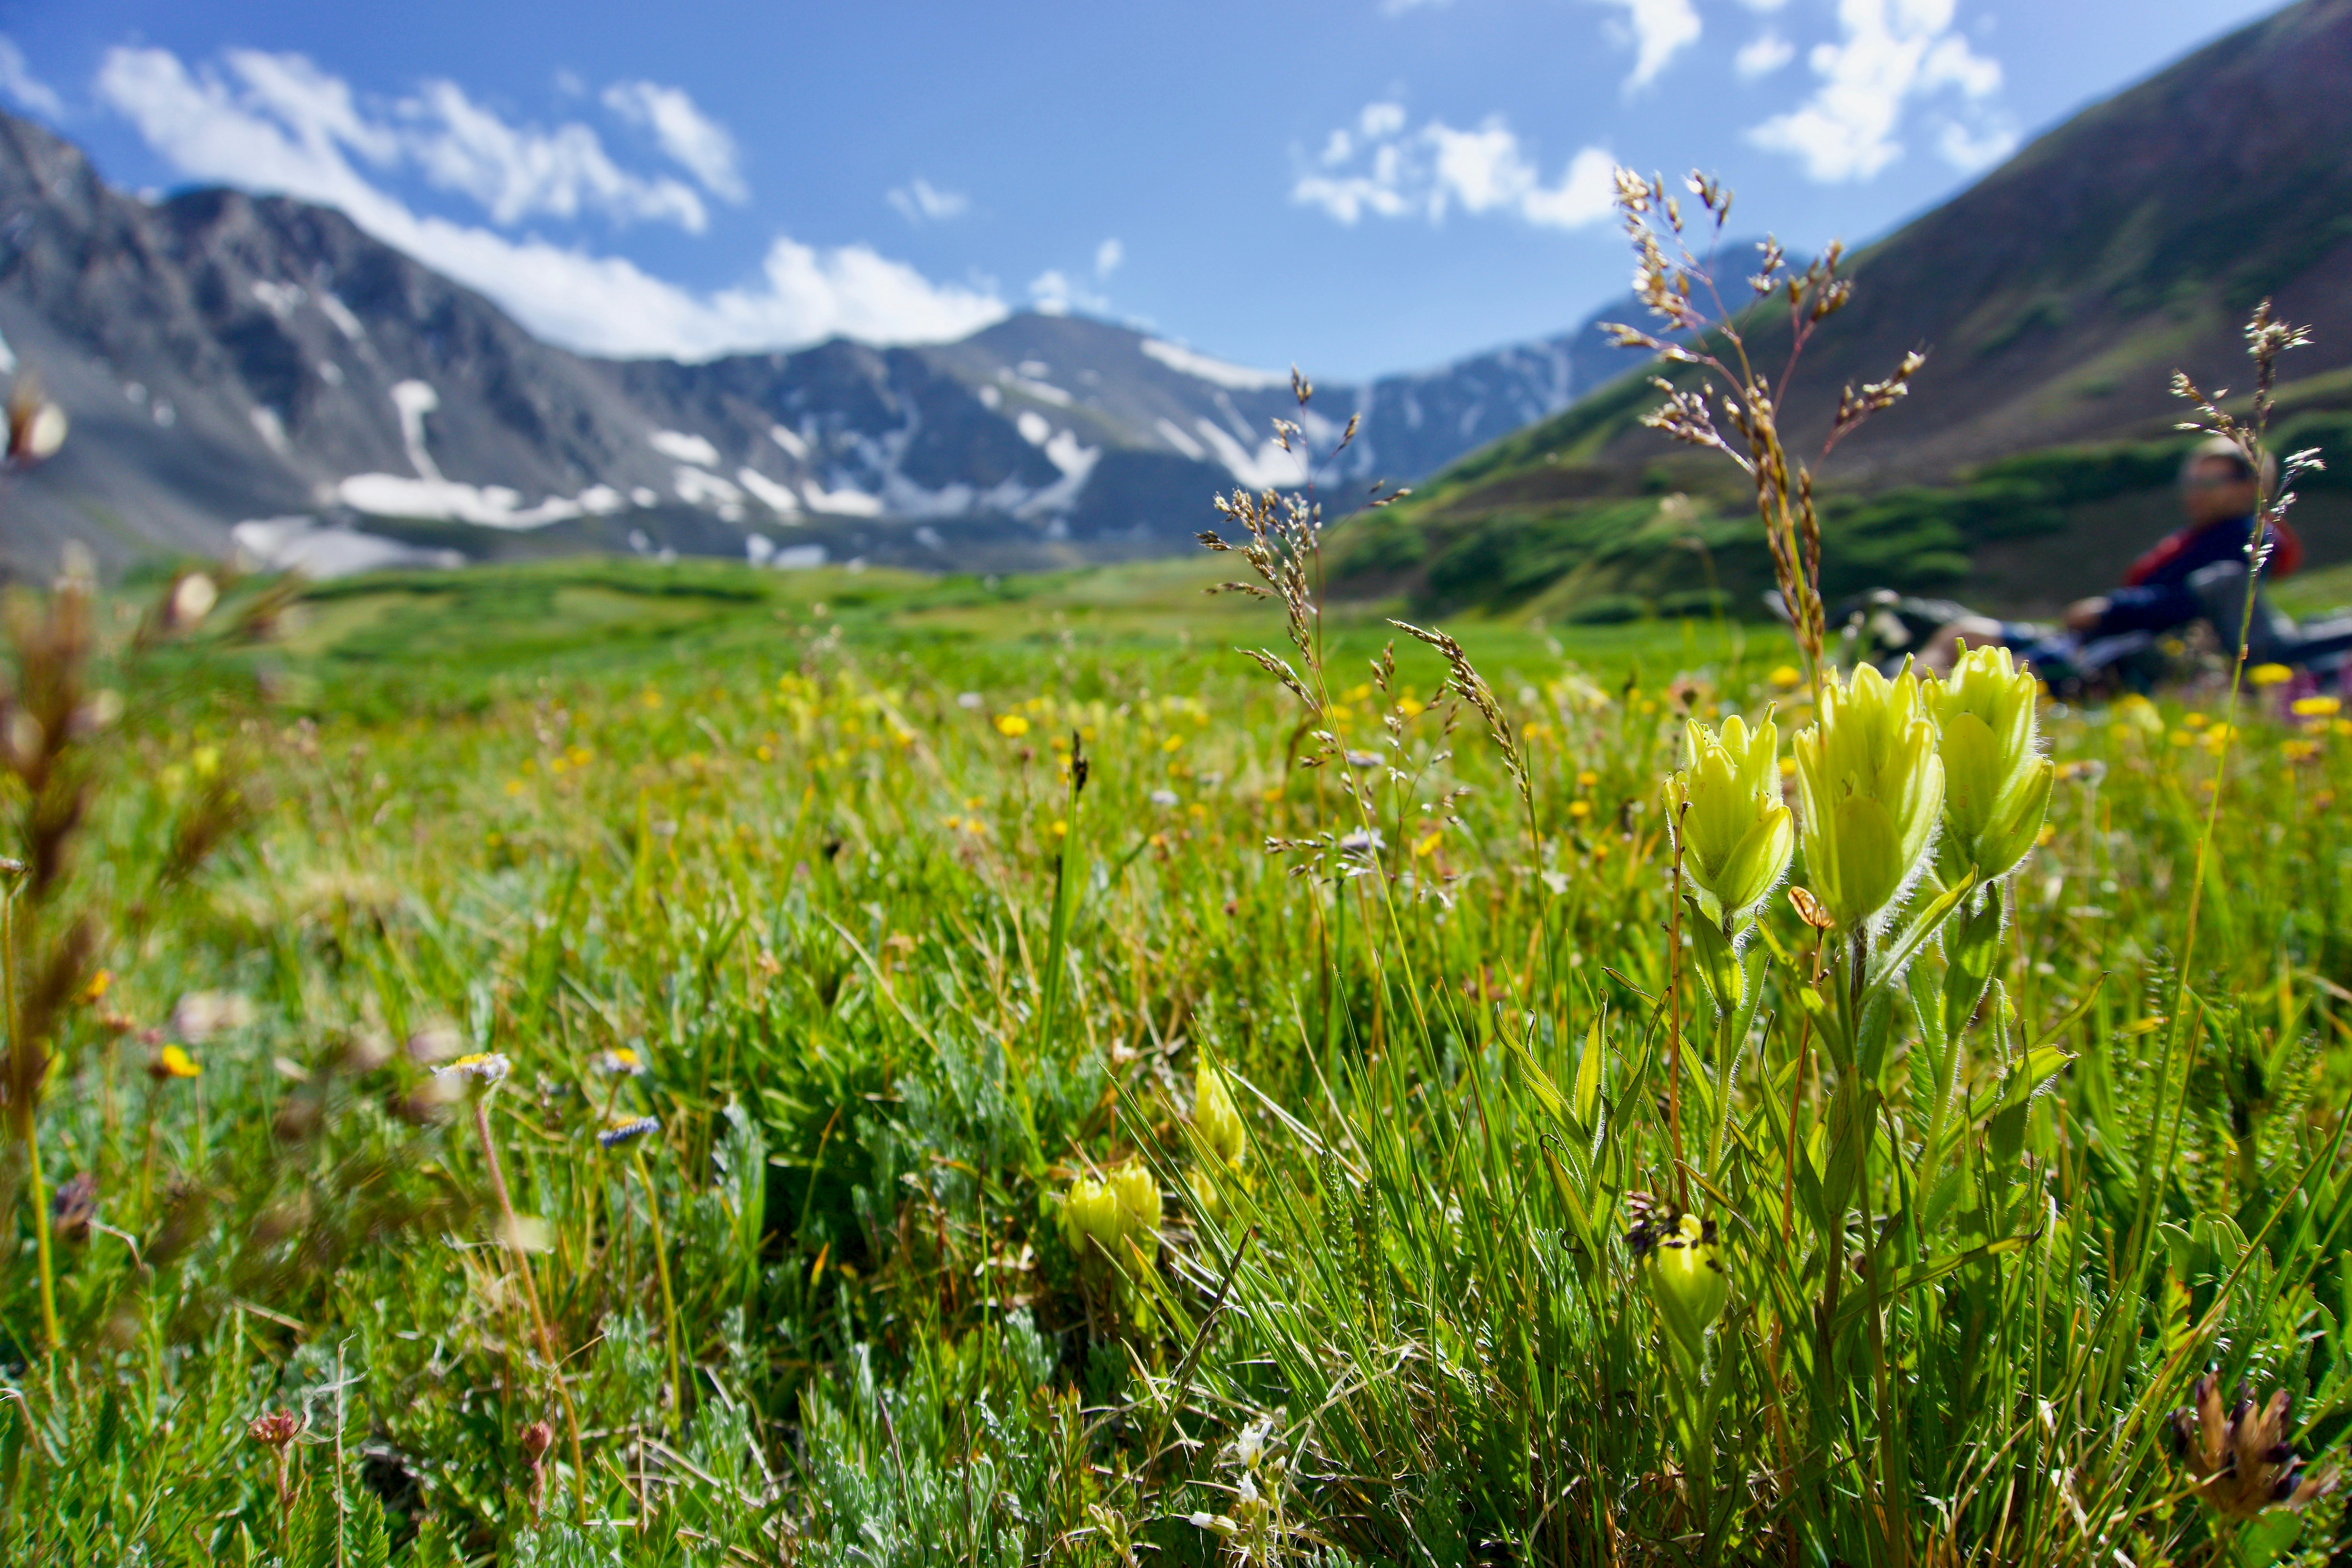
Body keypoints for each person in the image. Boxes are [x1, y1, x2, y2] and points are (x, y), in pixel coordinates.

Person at [1915, 436, 2295, 676]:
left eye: (2210, 483)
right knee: (1962, 633)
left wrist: (2110, 609)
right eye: (2191, 483)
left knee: (1991, 674)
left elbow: (2199, 599)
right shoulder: (2198, 537)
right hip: (2099, 639)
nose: (2195, 493)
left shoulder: (2249, 537)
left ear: (2251, 486)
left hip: (2129, 650)